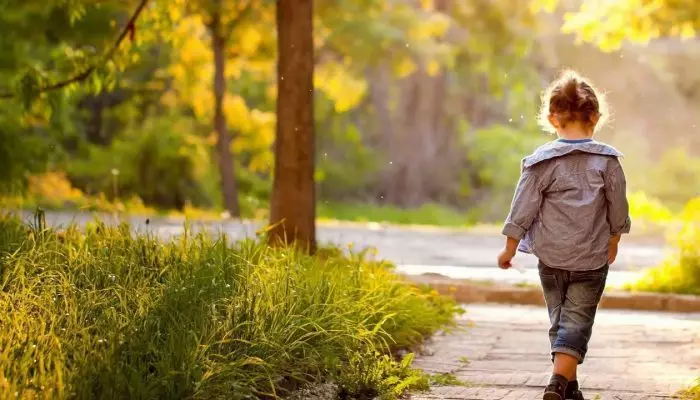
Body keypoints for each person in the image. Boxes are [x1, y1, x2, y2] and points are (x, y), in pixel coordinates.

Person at [497, 70, 631, 400]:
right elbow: (618, 207)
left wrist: (509, 247)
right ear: (596, 118)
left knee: (561, 322)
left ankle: (568, 386)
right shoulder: (608, 162)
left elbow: (522, 208)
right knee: (577, 321)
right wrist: (614, 237)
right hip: (591, 259)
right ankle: (559, 383)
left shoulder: (541, 162)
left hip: (551, 257)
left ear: (553, 118)